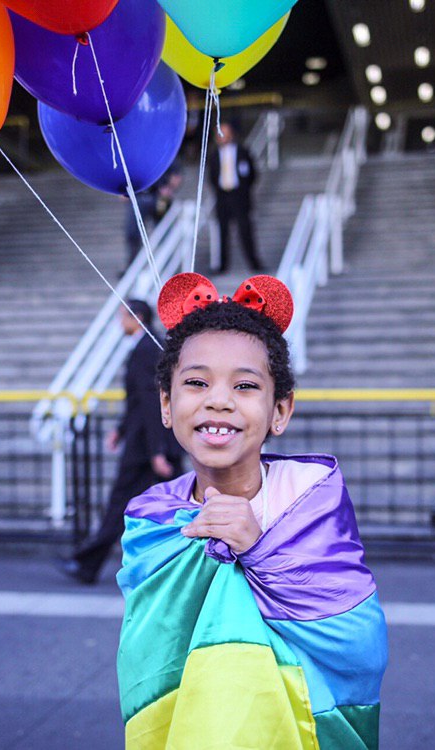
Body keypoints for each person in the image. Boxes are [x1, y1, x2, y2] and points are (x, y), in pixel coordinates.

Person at [115, 273, 387, 748]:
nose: (218, 400)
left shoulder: (308, 500)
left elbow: (360, 645)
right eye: (196, 382)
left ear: (280, 411)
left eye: (244, 386)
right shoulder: (152, 519)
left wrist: (261, 552)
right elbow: (147, 657)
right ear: (166, 403)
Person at [62, 300, 180, 585]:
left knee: (155, 508)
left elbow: (153, 403)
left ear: (137, 318)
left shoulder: (146, 350)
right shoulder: (147, 348)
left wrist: (156, 452)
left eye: (122, 317)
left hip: (147, 449)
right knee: (162, 507)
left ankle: (87, 563)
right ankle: (87, 563)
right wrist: (121, 430)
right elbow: (140, 402)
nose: (119, 323)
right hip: (148, 445)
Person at [208, 122, 265, 273]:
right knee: (223, 233)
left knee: (245, 230)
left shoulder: (242, 151)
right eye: (220, 133)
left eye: (225, 133)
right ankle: (222, 266)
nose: (222, 136)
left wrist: (244, 190)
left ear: (231, 134)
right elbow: (212, 177)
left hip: (239, 196)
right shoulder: (214, 155)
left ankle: (254, 263)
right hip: (222, 197)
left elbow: (252, 173)